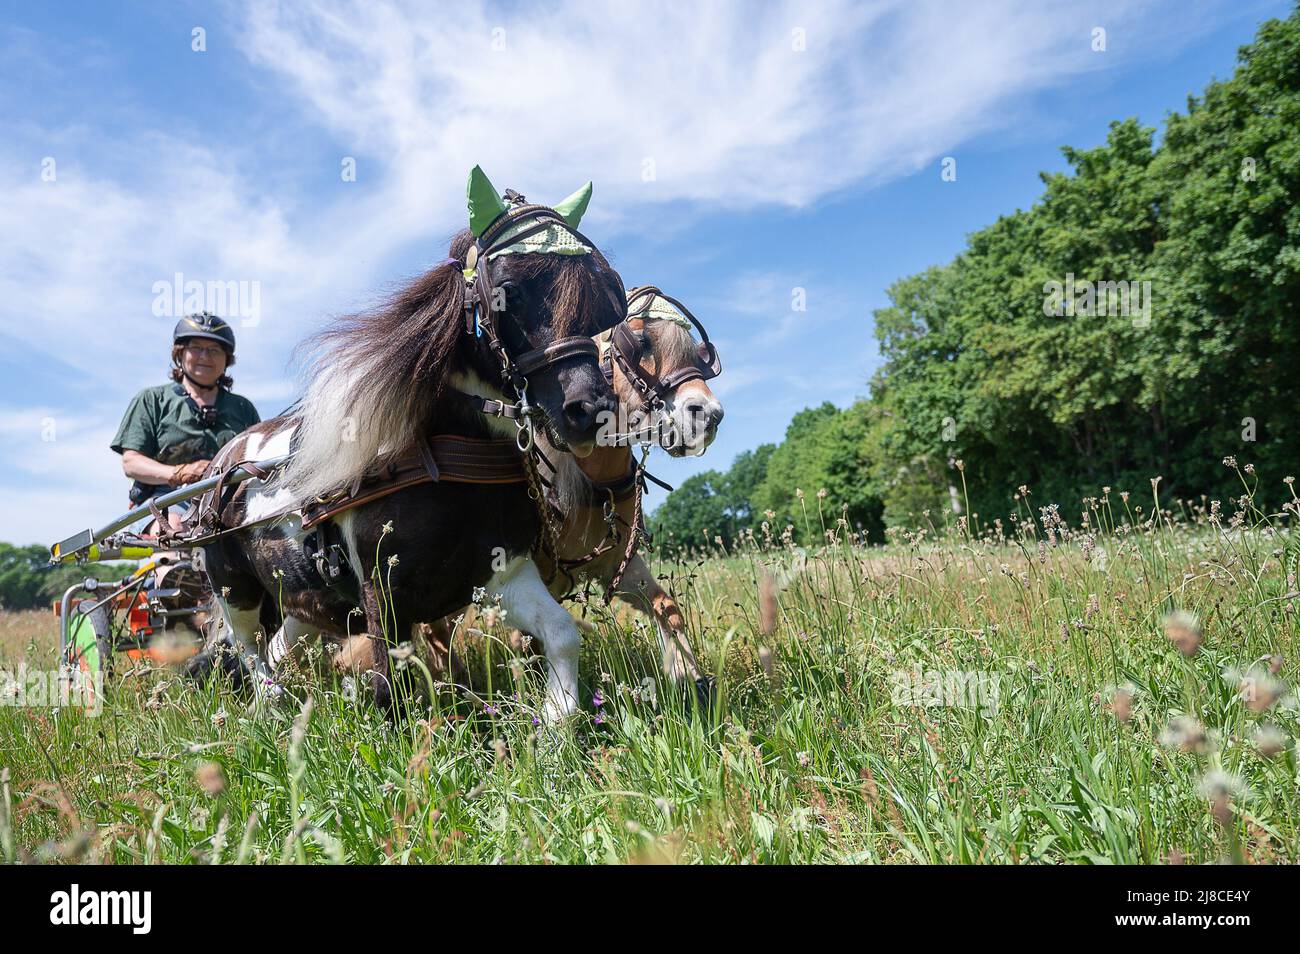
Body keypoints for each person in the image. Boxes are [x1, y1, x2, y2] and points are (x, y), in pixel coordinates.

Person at [112, 313, 260, 530]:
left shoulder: (242, 407)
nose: (205, 356)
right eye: (196, 348)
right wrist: (178, 472)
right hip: (166, 497)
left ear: (227, 359)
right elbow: (131, 463)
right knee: (175, 527)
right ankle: (169, 563)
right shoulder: (152, 399)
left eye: (214, 350)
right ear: (179, 353)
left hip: (230, 499)